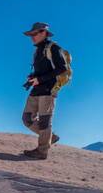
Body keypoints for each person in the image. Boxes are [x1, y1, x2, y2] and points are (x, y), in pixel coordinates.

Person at [20, 22, 68, 159]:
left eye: (34, 34)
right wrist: (33, 77)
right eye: (31, 34)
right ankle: (50, 137)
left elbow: (62, 68)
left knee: (44, 121)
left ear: (43, 33)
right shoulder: (38, 51)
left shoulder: (54, 48)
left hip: (48, 90)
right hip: (36, 89)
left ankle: (42, 152)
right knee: (27, 119)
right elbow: (42, 70)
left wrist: (40, 79)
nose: (32, 37)